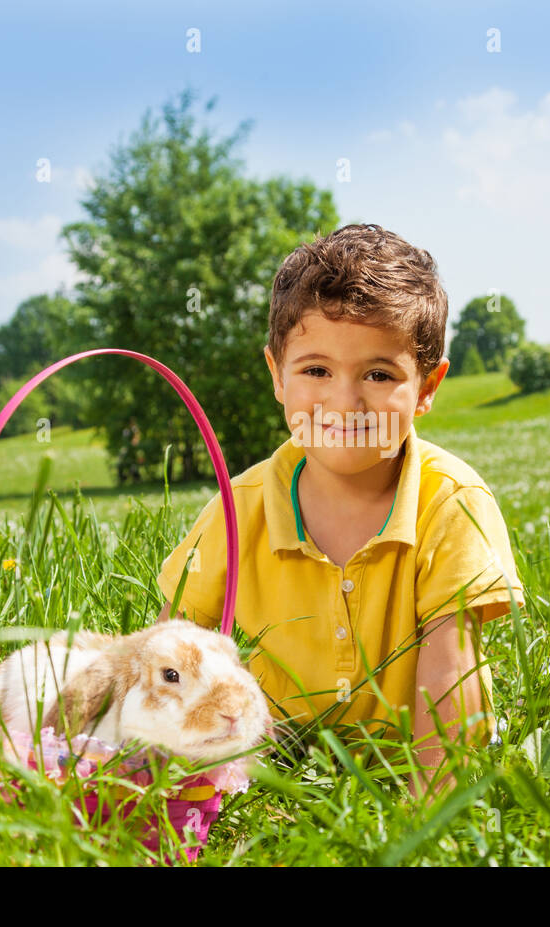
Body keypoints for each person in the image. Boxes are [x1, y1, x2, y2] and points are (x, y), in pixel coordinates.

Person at [156, 223, 524, 800]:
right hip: (269, 756)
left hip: (406, 758)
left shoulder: (451, 504)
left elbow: (450, 676)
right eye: (316, 370)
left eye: (379, 375)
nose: (344, 402)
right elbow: (174, 650)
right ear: (277, 373)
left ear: (428, 386)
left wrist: (428, 811)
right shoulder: (239, 508)